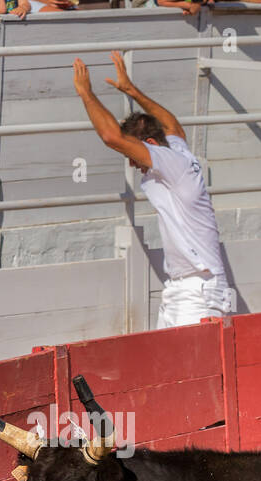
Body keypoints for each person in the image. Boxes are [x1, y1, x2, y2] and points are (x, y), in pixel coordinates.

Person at [73, 50, 231, 329]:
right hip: (182, 288)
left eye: (134, 154)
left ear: (150, 144)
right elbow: (171, 124)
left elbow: (112, 137)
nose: (133, 163)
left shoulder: (169, 161)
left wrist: (86, 95)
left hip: (199, 292)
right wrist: (131, 90)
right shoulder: (177, 150)